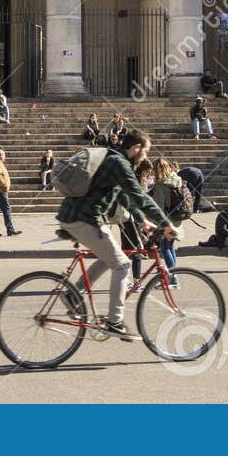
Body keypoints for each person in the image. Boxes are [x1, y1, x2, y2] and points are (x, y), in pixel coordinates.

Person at [55, 128, 178, 340]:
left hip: (77, 217)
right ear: (136, 148)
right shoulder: (119, 163)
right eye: (146, 151)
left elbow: (123, 197)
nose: (146, 156)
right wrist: (166, 224)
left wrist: (142, 220)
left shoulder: (114, 160)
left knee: (110, 258)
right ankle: (115, 321)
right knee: (122, 264)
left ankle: (72, 296)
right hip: (86, 218)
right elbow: (139, 195)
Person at [0, 148, 21, 237]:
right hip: (0, 191)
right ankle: (10, 229)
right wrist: (4, 184)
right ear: (0, 156)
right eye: (4, 155)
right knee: (6, 209)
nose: (5, 157)